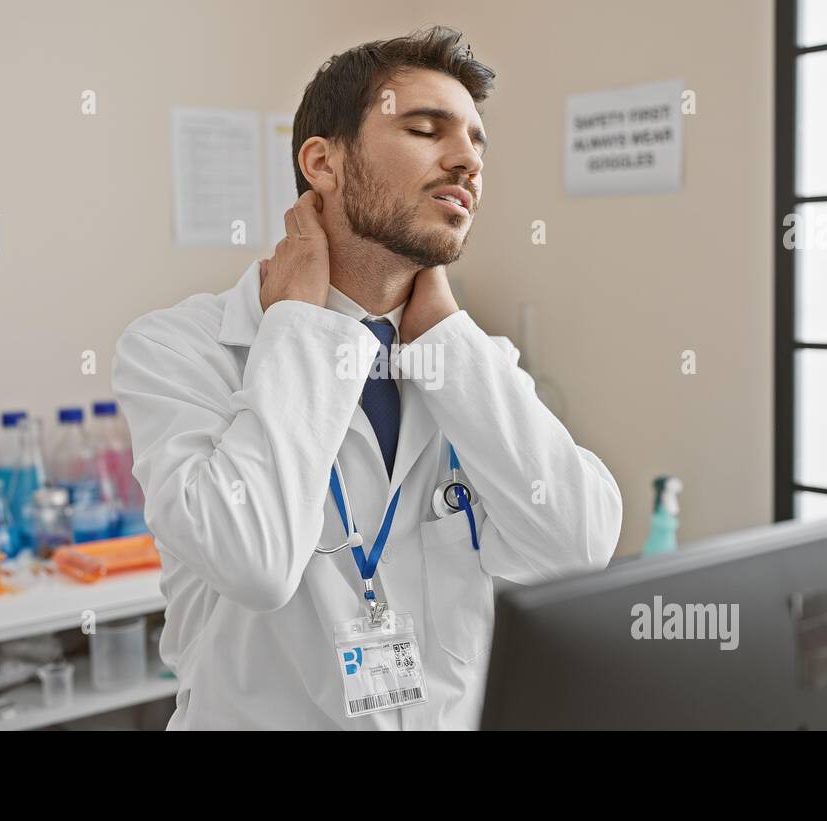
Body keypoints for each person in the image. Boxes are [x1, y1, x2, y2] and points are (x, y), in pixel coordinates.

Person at [112, 26, 623, 729]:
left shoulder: (473, 362)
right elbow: (255, 562)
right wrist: (298, 324)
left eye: (477, 143)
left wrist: (445, 337)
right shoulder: (178, 350)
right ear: (322, 162)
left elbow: (580, 546)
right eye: (425, 129)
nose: (466, 161)